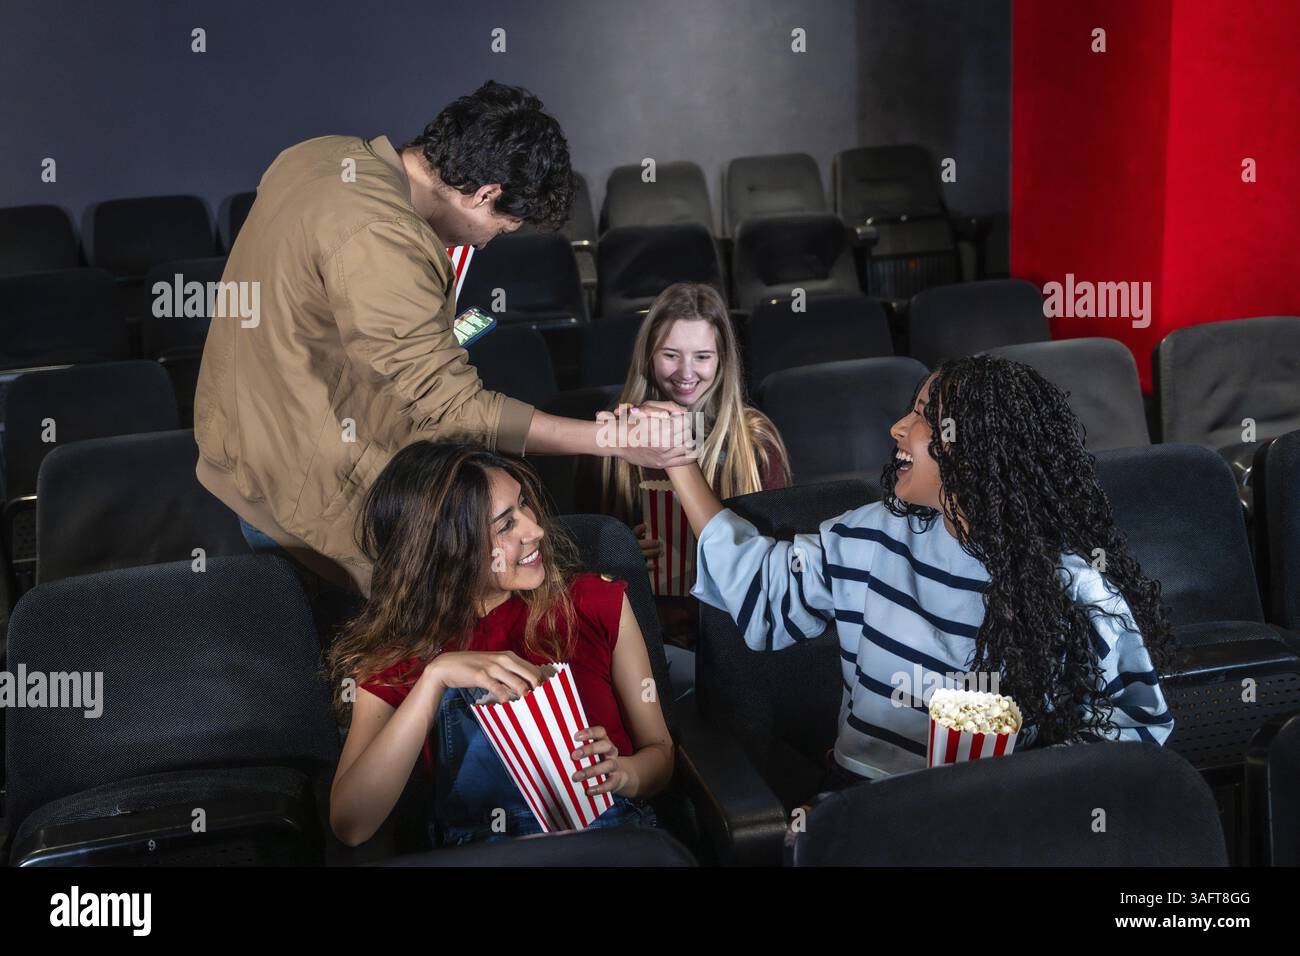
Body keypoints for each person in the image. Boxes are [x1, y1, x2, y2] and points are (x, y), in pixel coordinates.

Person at [194, 81, 693, 630]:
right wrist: (613, 440)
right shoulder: (383, 236)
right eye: (502, 225)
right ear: (482, 193)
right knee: (395, 668)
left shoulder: (319, 155)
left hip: (245, 457)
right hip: (313, 496)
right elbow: (449, 407)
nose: (488, 243)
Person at [654, 355, 1175, 794]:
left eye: (923, 416)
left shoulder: (1074, 586)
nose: (898, 428)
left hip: (1000, 814)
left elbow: (1134, 727)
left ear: (975, 447)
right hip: (866, 798)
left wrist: (1026, 787)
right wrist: (680, 463)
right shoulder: (871, 535)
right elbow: (765, 584)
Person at [327, 441, 674, 848]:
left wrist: (628, 774)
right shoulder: (400, 656)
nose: (536, 529)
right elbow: (351, 823)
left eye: (525, 505)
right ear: (445, 549)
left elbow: (661, 753)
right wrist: (433, 680)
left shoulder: (596, 601)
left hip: (607, 839)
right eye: (506, 524)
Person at [585, 282, 790, 648]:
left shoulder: (754, 442)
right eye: (671, 355)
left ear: (723, 360)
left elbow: (780, 556)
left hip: (736, 633)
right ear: (648, 355)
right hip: (646, 632)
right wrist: (618, 552)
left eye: (702, 356)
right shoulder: (612, 439)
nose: (685, 372)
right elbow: (581, 556)